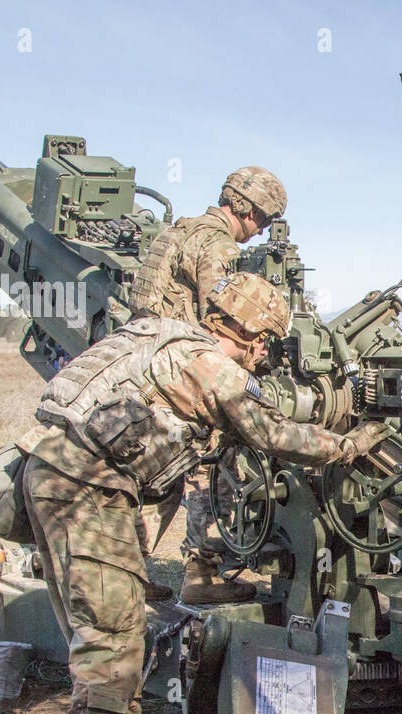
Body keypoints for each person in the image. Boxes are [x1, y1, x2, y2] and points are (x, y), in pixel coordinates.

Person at [22, 272, 387, 714]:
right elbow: (273, 434)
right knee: (111, 634)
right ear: (250, 332)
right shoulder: (208, 365)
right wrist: (348, 445)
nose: (264, 353)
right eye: (264, 341)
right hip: (86, 492)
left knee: (114, 623)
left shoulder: (157, 333)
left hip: (58, 477)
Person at [129, 166, 288, 603]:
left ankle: (121, 570)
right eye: (263, 221)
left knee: (155, 479)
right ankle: (202, 574)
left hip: (148, 365)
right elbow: (221, 316)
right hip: (186, 375)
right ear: (248, 208)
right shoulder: (215, 245)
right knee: (210, 472)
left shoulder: (175, 232)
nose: (259, 234)